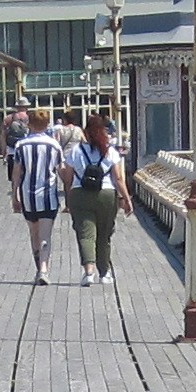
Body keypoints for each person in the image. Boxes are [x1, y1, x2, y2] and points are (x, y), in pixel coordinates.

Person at [6, 107, 72, 285]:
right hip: (48, 195)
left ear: (30, 124)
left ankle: (38, 267)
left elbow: (17, 174)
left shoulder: (21, 146)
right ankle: (44, 269)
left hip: (28, 196)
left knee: (33, 234)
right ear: (46, 124)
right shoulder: (54, 146)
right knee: (45, 235)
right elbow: (62, 172)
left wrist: (14, 196)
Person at [69, 116, 132, 286]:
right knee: (104, 236)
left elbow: (68, 175)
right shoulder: (110, 151)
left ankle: (88, 272)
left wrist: (69, 196)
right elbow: (118, 178)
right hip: (106, 195)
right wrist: (126, 199)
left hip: (80, 194)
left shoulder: (76, 151)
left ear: (85, 132)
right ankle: (104, 274)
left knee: (85, 234)